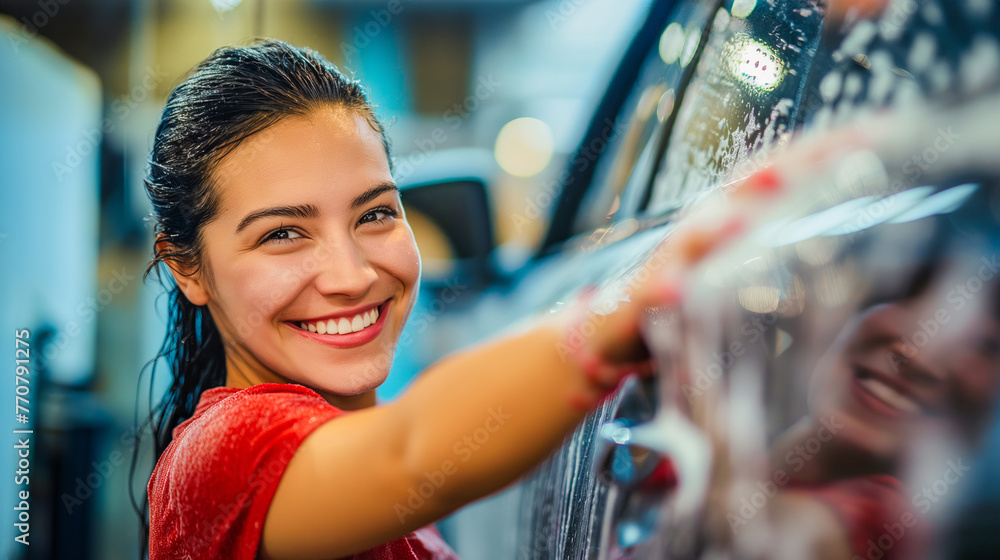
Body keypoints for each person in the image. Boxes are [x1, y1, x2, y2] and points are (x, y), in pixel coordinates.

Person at [135, 39, 772, 560]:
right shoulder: (218, 454)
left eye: (375, 214)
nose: (351, 275)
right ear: (186, 268)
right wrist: (619, 314)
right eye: (282, 234)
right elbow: (406, 455)